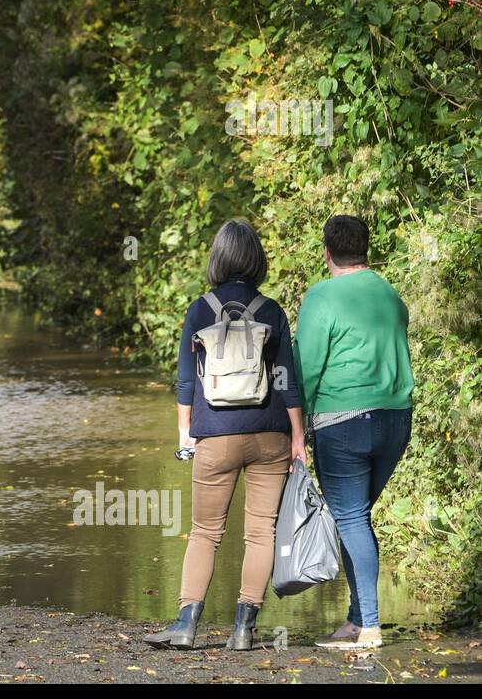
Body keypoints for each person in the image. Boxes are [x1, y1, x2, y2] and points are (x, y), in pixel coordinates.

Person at [144, 219, 307, 651]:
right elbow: (289, 380)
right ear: (256, 259)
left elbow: (184, 381)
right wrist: (298, 438)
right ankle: (243, 629)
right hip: (270, 435)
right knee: (261, 532)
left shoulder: (200, 310)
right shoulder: (271, 311)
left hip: (215, 434)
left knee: (204, 532)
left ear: (217, 258)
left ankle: (185, 624)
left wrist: (185, 435)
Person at [295, 214, 413, 650]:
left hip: (343, 423)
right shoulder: (389, 292)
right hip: (395, 420)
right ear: (366, 249)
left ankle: (369, 627)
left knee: (350, 517)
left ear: (326, 251)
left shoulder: (323, 296)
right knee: (355, 518)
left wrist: (295, 427)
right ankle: (356, 619)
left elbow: (306, 368)